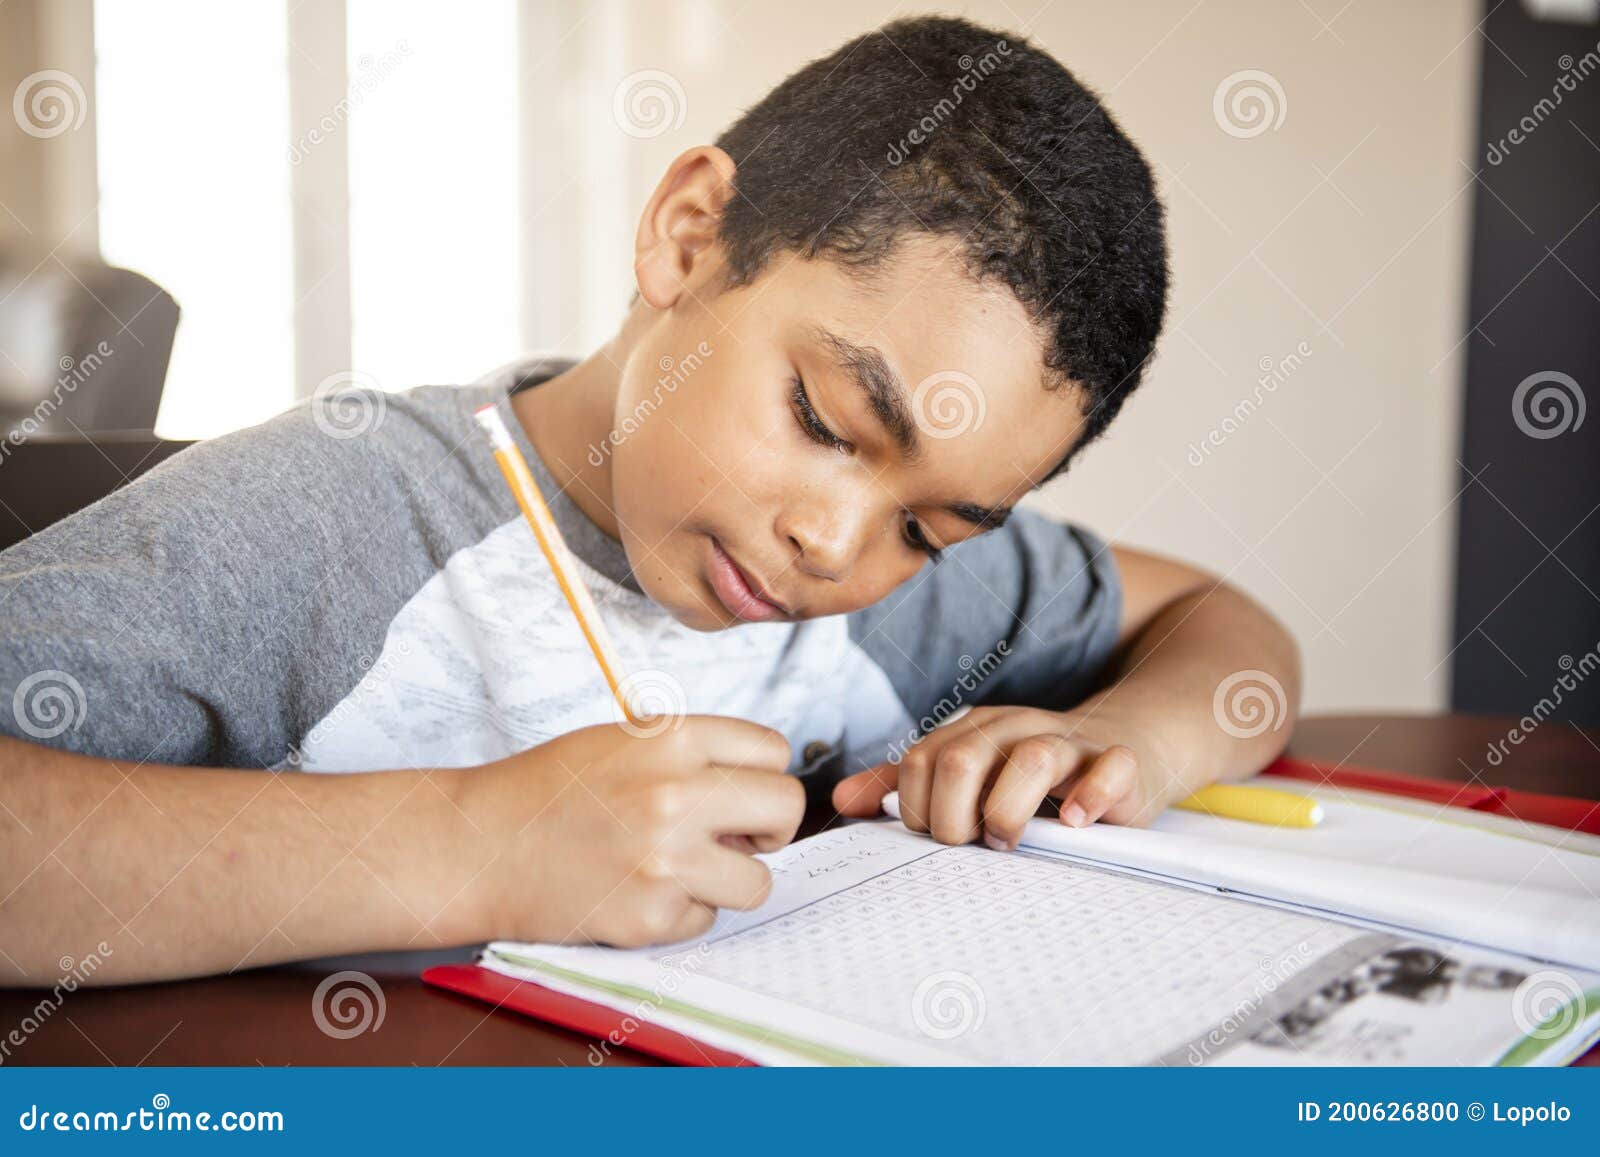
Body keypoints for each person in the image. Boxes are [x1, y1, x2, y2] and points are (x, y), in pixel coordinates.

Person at [0, 16, 1298, 985]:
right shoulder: (335, 519)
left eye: (929, 526)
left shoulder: (883, 604)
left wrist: (1137, 740)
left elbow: (1227, 627)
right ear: (689, 236)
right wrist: (468, 842)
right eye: (827, 423)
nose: (835, 545)